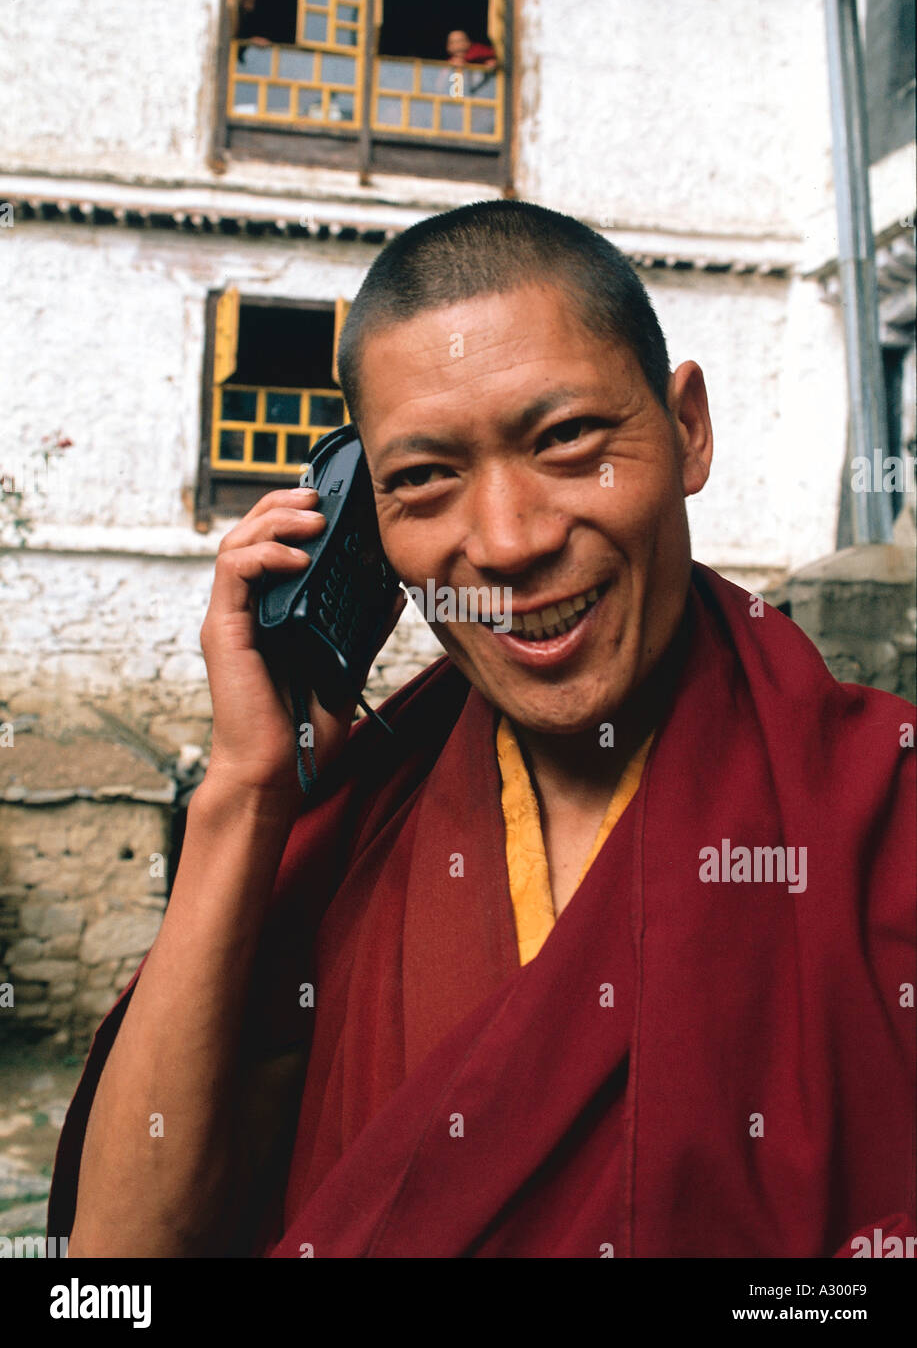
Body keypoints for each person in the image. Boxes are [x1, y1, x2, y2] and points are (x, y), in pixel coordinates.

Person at [49, 201, 915, 1258]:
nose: (505, 544)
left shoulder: (880, 805)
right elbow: (120, 1260)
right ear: (364, 524)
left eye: (566, 441)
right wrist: (247, 790)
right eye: (422, 480)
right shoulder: (360, 834)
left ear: (686, 428)